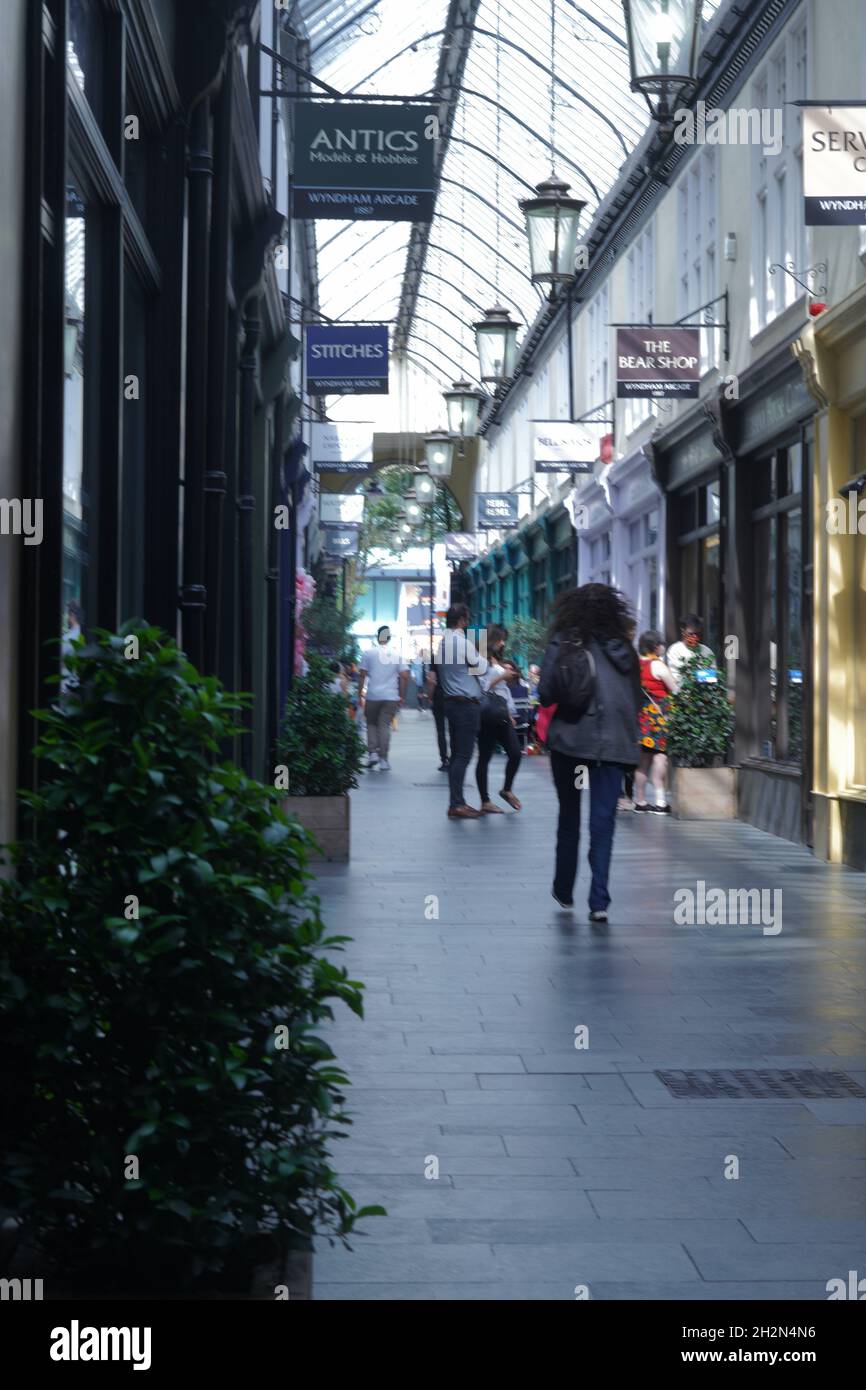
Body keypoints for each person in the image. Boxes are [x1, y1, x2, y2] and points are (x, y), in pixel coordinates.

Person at [538, 583, 642, 921]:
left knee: (569, 816)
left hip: (570, 742)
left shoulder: (565, 641)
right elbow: (636, 699)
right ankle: (599, 901)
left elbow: (546, 693)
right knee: (603, 822)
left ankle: (565, 889)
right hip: (612, 746)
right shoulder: (625, 648)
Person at [435, 603, 487, 819]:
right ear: (463, 619)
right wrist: (480, 648)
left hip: (451, 703)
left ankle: (456, 802)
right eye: (467, 619)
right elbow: (481, 667)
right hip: (466, 705)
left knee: (457, 755)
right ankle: (457, 803)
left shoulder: (443, 643)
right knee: (463, 755)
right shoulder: (461, 642)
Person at [475, 626, 523, 814]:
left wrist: (509, 712)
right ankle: (485, 801)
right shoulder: (478, 660)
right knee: (484, 757)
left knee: (515, 753)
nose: (503, 643)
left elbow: (502, 690)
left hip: (501, 712)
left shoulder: (497, 660)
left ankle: (507, 789)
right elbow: (482, 688)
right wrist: (501, 676)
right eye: (500, 639)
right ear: (491, 639)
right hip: (486, 714)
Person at [634, 630, 678, 814]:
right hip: (659, 717)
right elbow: (675, 689)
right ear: (655, 646)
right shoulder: (658, 666)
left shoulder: (636, 665)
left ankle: (640, 801)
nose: (663, 647)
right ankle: (660, 801)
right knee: (661, 757)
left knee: (643, 760)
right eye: (661, 644)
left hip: (642, 718)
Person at [358, 625, 409, 772]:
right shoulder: (397, 655)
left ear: (377, 636)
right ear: (389, 637)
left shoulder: (368, 653)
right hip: (390, 696)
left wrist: (359, 693)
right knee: (384, 726)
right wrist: (402, 696)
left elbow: (362, 675)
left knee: (372, 724)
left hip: (373, 695)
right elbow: (405, 676)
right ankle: (384, 760)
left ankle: (372, 753)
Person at [666, 613, 715, 682]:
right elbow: (678, 677)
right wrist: (702, 675)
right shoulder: (675, 650)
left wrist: (693, 675)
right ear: (683, 631)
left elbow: (712, 676)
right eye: (691, 634)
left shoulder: (707, 651)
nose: (694, 637)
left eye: (697, 634)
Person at [426, 664, 450, 770]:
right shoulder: (462, 657)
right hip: (455, 697)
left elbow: (431, 681)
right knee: (454, 730)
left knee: (440, 731)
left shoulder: (436, 659)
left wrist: (430, 697)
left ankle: (444, 759)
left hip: (439, 697)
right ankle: (454, 758)